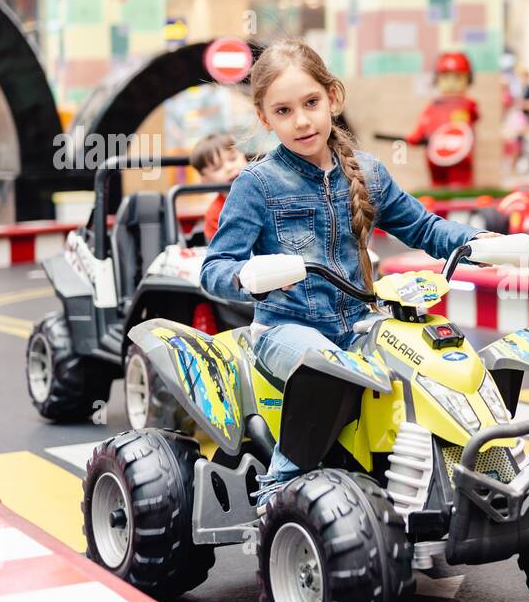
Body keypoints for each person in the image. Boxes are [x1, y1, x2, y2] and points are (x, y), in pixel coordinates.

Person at [199, 39, 499, 511]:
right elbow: (214, 270)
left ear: (332, 98)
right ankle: (279, 490)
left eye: (311, 103)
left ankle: (468, 474)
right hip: (286, 331)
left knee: (433, 358)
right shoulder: (255, 185)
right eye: (283, 110)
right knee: (328, 364)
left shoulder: (368, 173)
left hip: (360, 325)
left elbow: (423, 227)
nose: (301, 120)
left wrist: (480, 242)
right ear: (265, 119)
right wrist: (250, 274)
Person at [189, 132, 245, 242]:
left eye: (233, 159)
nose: (229, 167)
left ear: (243, 157)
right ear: (205, 180)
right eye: (218, 168)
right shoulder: (215, 215)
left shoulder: (270, 193)